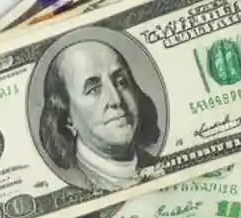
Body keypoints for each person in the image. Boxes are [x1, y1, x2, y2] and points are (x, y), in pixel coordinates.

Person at [39, 39, 161, 191]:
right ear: (67, 118)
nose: (116, 100)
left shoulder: (156, 164)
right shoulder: (74, 182)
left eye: (121, 82)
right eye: (94, 90)